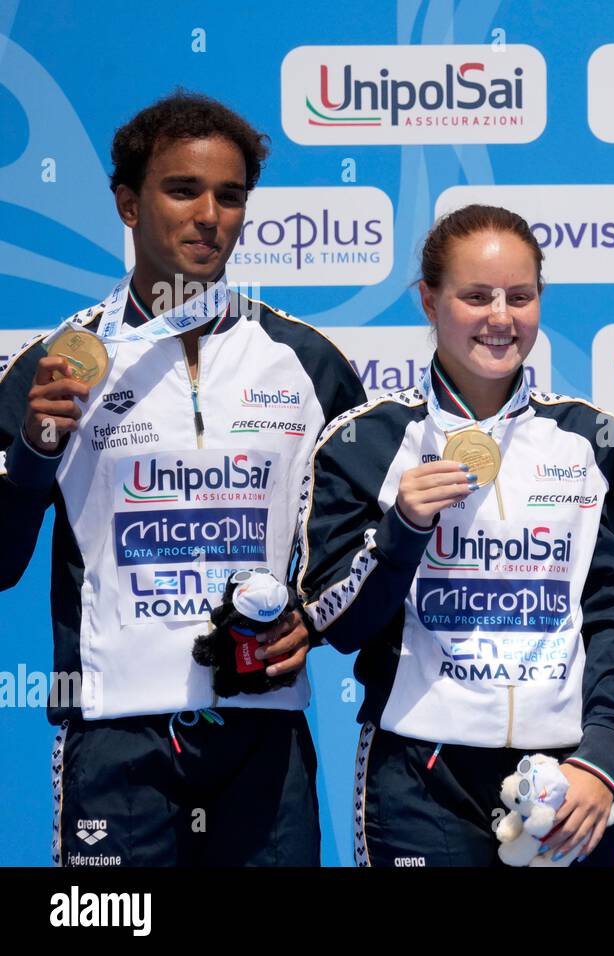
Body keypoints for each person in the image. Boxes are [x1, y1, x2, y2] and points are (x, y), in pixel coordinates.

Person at [0, 91, 366, 866]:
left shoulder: (311, 364)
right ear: (128, 204)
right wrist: (34, 453)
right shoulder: (51, 366)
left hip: (262, 732)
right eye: (182, 190)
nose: (210, 214)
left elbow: (353, 554)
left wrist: (313, 620)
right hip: (114, 740)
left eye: (229, 196)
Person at [297, 204, 614, 867]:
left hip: (566, 783)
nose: (501, 317)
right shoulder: (367, 440)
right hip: (419, 781)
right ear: (429, 300)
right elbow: (332, 621)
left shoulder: (589, 438)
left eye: (520, 297)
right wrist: (400, 531)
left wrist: (602, 759)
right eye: (476, 296)